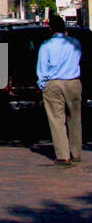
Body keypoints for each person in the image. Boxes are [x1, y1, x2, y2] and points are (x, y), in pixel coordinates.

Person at [37, 15, 84, 166]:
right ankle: (76, 152)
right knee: (75, 118)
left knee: (57, 119)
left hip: (53, 83)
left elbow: (42, 69)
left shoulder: (46, 46)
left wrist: (42, 84)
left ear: (50, 29)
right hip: (73, 82)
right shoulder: (75, 43)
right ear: (65, 28)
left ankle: (63, 155)